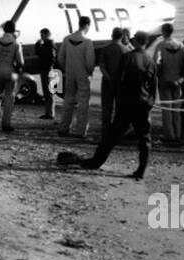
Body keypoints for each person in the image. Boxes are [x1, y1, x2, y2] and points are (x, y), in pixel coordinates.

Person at [79, 30, 157, 180]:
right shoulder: (150, 61)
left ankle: (96, 162)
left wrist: (118, 97)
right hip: (143, 103)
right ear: (146, 43)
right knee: (144, 138)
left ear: (134, 41)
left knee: (112, 136)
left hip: (126, 103)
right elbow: (153, 85)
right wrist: (150, 103)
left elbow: (117, 80)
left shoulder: (127, 57)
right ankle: (141, 170)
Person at [152, 23, 184, 142]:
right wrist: (183, 77)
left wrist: (159, 76)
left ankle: (170, 135)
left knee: (167, 110)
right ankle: (178, 133)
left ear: (163, 32)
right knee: (177, 109)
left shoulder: (160, 45)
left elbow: (156, 62)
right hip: (177, 81)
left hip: (165, 81)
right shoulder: (180, 45)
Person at [57, 16, 96, 138]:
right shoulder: (87, 42)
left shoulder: (67, 39)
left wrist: (66, 68)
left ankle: (64, 128)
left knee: (68, 100)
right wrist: (89, 72)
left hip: (69, 73)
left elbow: (60, 58)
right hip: (82, 74)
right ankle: (80, 130)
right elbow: (90, 62)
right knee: (83, 102)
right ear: (87, 25)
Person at [0, 21, 24, 132]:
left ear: (4, 30)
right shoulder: (16, 44)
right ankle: (6, 124)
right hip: (10, 72)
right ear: (13, 30)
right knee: (9, 98)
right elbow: (20, 62)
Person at [98, 27, 127, 136]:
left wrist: (109, 78)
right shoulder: (126, 50)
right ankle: (117, 132)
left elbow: (102, 66)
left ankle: (105, 131)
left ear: (112, 35)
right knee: (120, 109)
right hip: (121, 83)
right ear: (122, 36)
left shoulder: (105, 49)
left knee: (106, 109)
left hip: (107, 82)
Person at [35, 28, 57, 119]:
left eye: (42, 35)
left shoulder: (49, 45)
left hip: (47, 71)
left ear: (47, 35)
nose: (41, 37)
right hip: (47, 70)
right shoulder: (48, 44)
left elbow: (50, 58)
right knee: (47, 92)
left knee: (48, 92)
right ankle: (48, 112)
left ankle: (50, 113)